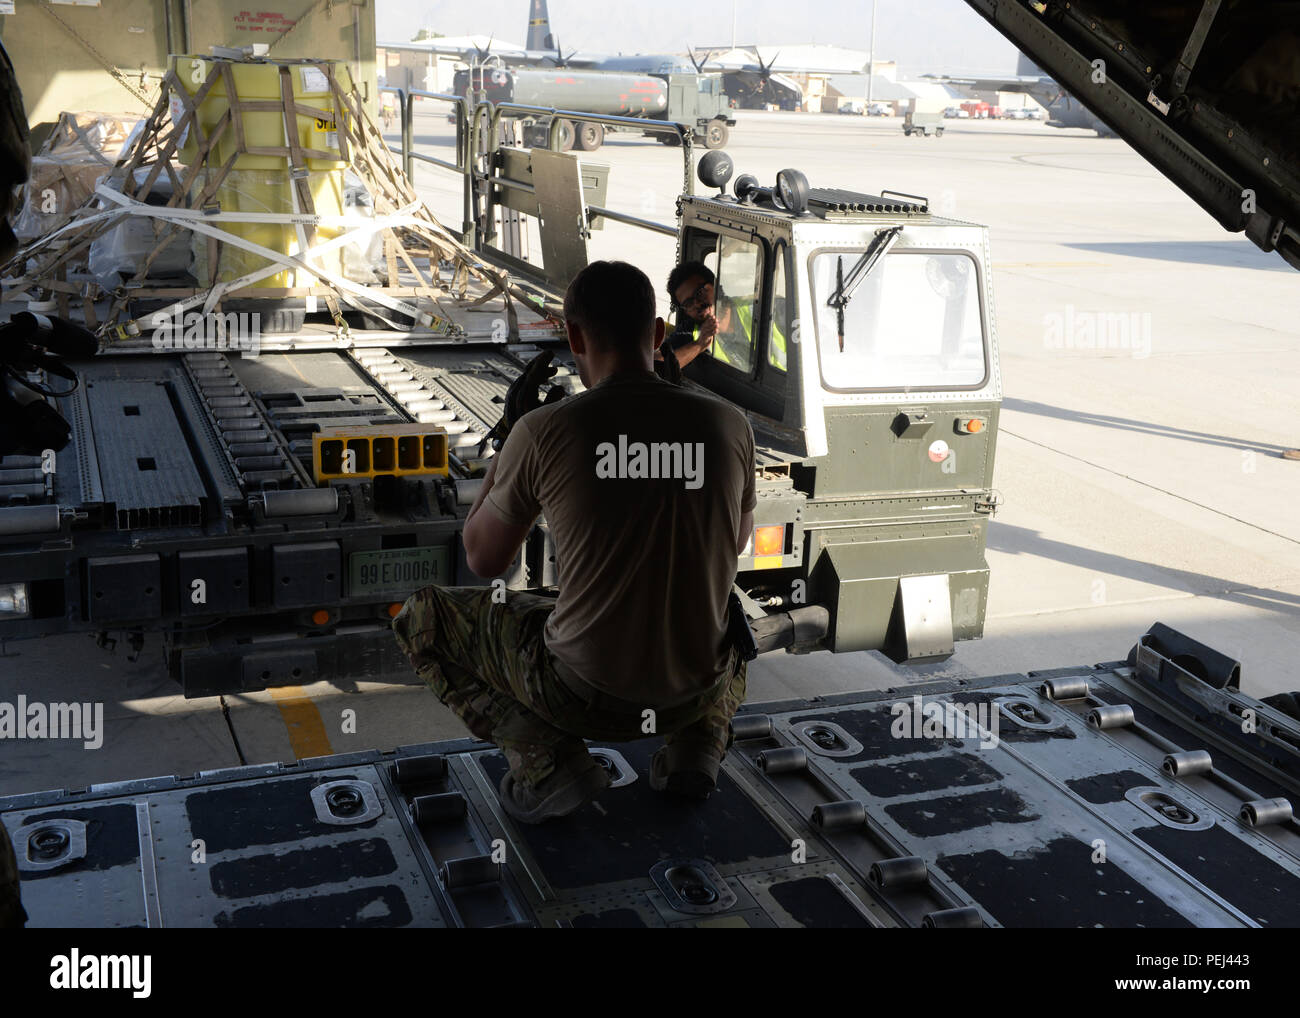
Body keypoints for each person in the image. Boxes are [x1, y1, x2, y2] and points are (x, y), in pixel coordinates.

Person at [393, 260, 757, 824]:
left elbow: (483, 558)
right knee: (729, 616)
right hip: (695, 692)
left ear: (575, 336)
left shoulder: (546, 430)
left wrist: (512, 442)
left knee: (425, 617)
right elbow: (732, 546)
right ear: (659, 334)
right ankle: (696, 748)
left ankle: (550, 766)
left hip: (580, 695)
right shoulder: (730, 424)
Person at [666, 260, 786, 372]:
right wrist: (699, 344)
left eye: (700, 292)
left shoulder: (770, 309)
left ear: (716, 284)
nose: (697, 303)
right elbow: (657, 365)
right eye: (689, 303)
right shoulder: (690, 334)